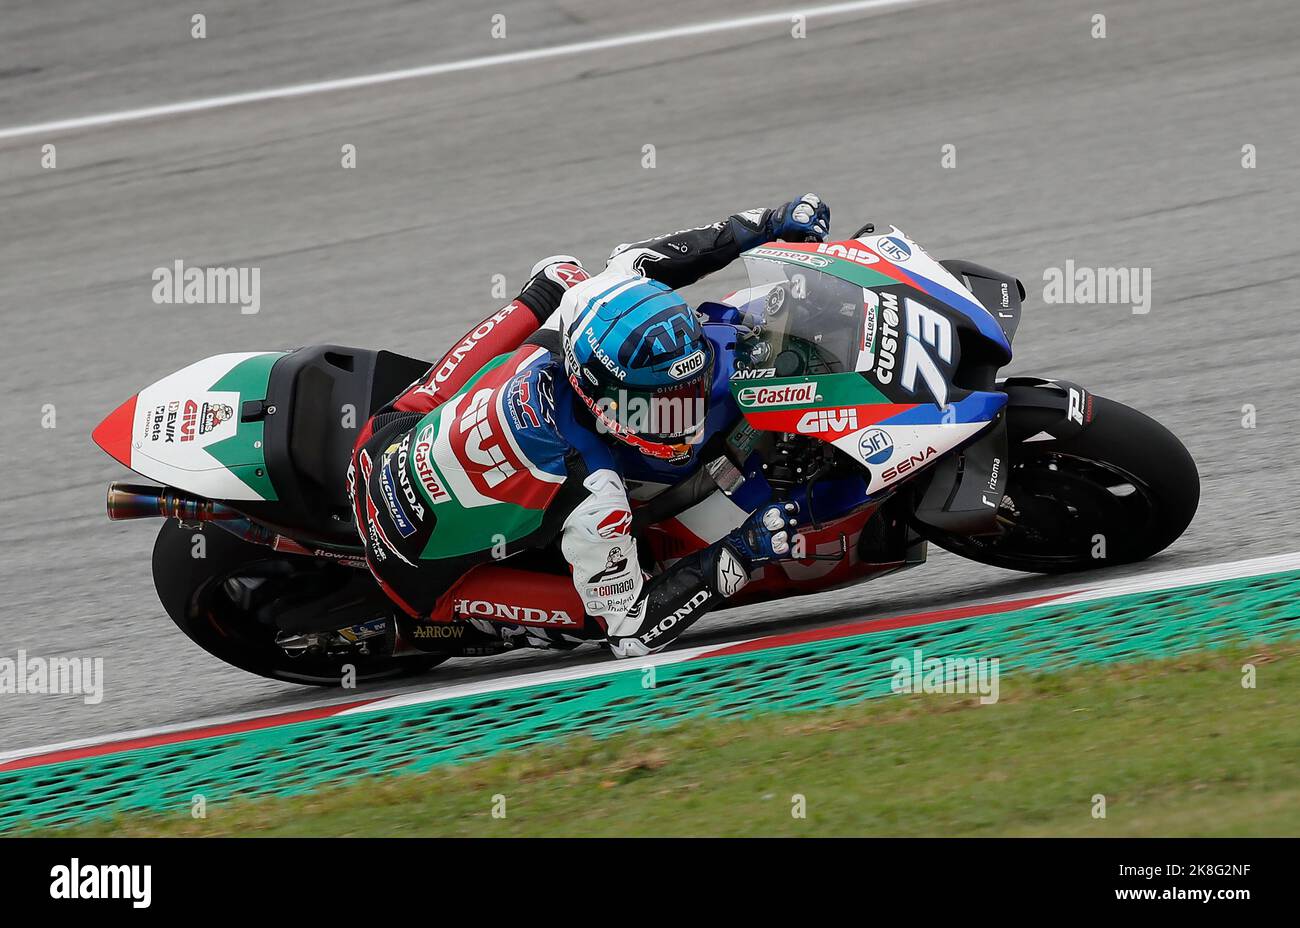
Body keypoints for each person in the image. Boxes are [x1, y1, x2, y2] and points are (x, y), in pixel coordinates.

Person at [347, 195, 830, 657]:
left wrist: (766, 224)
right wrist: (743, 552)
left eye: (688, 393)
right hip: (412, 566)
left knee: (560, 278)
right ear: (603, 400)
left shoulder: (589, 311)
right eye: (660, 407)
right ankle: (463, 616)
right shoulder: (596, 491)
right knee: (609, 604)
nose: (686, 417)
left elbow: (642, 259)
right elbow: (633, 634)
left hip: (383, 437)